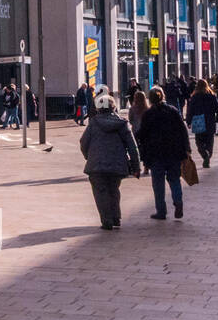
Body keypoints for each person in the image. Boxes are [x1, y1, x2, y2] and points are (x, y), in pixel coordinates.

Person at [80, 90, 141, 230]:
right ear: (114, 107)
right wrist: (136, 167)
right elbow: (133, 147)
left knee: (101, 191)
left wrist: (88, 156)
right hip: (117, 164)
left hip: (96, 165)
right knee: (114, 189)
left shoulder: (93, 123)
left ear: (98, 108)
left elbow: (83, 142)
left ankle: (106, 219)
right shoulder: (122, 124)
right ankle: (116, 217)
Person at [136, 86, 192, 221]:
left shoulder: (148, 114)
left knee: (158, 183)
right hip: (174, 152)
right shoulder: (173, 111)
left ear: (151, 99)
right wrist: (187, 148)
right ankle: (178, 202)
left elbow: (142, 134)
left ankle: (161, 211)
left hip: (156, 154)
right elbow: (182, 130)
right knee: (174, 179)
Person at [186, 79, 218, 168]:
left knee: (199, 142)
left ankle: (204, 154)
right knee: (210, 142)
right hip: (210, 122)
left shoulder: (194, 97)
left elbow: (190, 110)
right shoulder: (212, 97)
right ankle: (208, 155)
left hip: (198, 122)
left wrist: (188, 121)